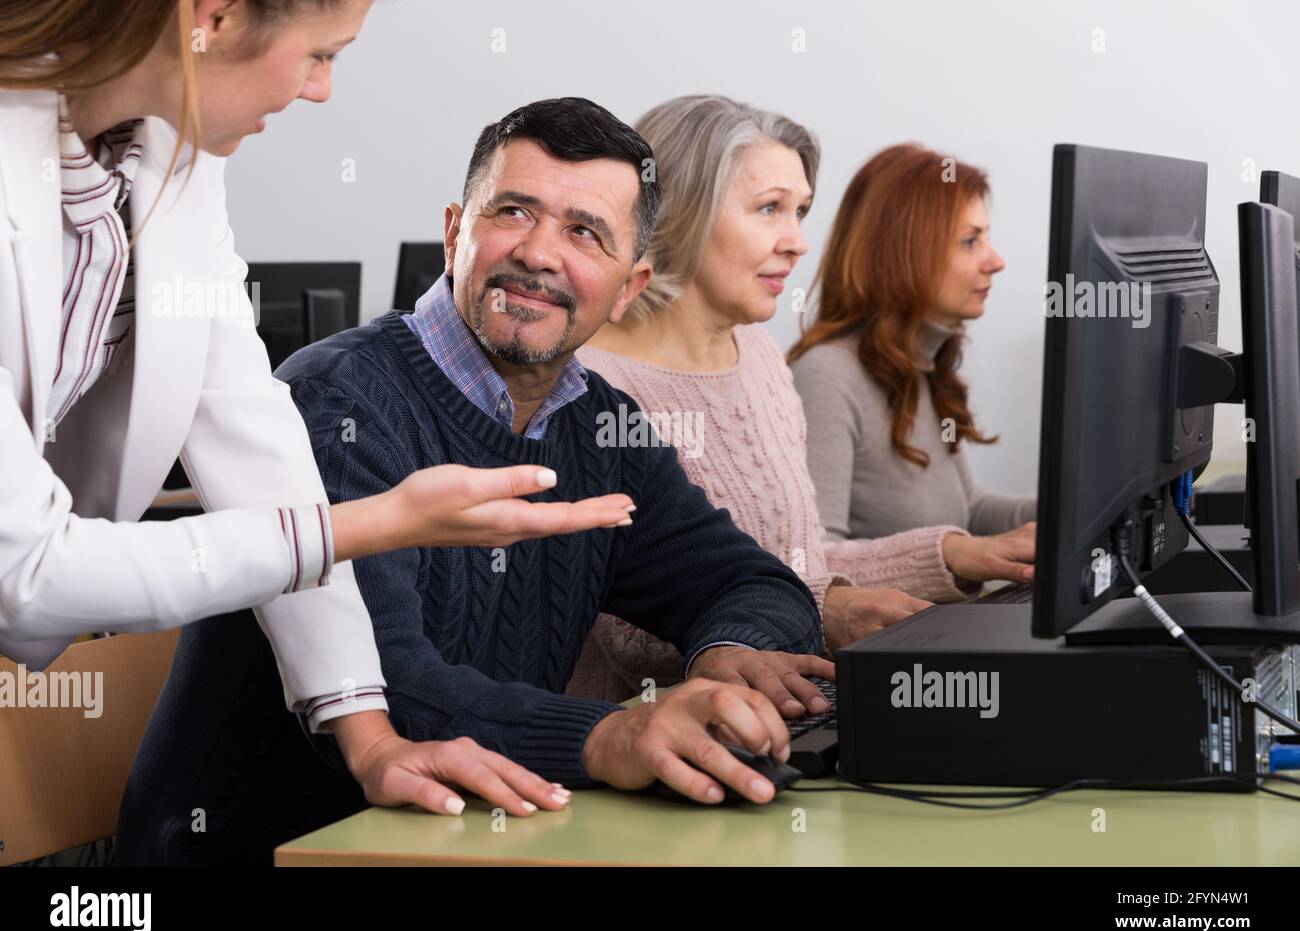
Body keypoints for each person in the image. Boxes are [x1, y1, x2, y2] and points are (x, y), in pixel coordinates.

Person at [117, 97, 833, 864]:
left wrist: (728, 649)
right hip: (269, 851)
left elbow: (752, 580)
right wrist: (610, 734)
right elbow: (391, 688)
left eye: (585, 233)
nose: (539, 254)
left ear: (630, 287)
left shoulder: (599, 424)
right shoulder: (340, 402)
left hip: (473, 841)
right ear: (456, 231)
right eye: (514, 211)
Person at [0, 0, 635, 818]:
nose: (323, 90)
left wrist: (369, 737)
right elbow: (30, 575)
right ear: (216, 17)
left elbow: (249, 431)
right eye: (320, 54)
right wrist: (380, 521)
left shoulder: (170, 152)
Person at [564, 98, 1029, 699]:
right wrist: (821, 611)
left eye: (801, 212)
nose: (798, 242)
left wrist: (940, 558)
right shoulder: (587, 386)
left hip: (780, 699)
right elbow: (619, 633)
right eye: (769, 210)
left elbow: (804, 563)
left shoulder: (757, 356)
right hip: (645, 734)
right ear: (681, 211)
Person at [789, 143, 1036, 578]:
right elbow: (812, 559)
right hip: (879, 643)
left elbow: (968, 509)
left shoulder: (917, 363)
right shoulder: (827, 376)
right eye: (969, 241)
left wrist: (1071, 512)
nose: (995, 261)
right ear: (903, 253)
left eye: (986, 237)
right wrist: (947, 553)